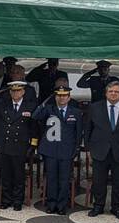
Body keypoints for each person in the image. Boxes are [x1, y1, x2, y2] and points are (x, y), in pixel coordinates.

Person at [84, 77, 119, 218]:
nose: (113, 94)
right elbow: (88, 129)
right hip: (99, 150)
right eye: (111, 91)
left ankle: (117, 207)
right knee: (98, 180)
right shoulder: (94, 107)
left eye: (116, 92)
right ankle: (98, 206)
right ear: (106, 93)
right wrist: (88, 149)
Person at [33, 83, 82, 214]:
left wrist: (76, 149)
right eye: (59, 96)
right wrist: (44, 101)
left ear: (69, 97)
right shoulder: (49, 109)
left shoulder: (75, 112)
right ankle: (51, 204)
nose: (61, 98)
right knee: (52, 178)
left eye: (64, 95)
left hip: (67, 150)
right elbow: (35, 116)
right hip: (50, 149)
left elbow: (78, 133)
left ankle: (61, 206)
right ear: (55, 97)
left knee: (64, 179)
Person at [0, 77, 35, 211]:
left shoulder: (30, 106)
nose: (15, 93)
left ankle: (17, 201)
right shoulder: (3, 104)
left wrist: (33, 144)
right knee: (5, 174)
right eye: (13, 91)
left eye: (18, 91)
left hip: (19, 145)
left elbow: (34, 127)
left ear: (23, 92)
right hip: (4, 144)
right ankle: (6, 200)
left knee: (18, 175)